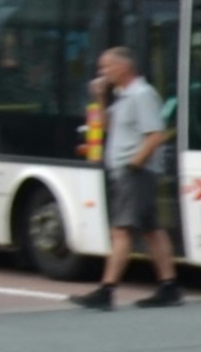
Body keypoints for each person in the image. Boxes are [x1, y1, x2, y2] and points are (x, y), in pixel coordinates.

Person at [73, 43, 180, 311]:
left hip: (135, 173)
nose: (102, 72)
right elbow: (108, 128)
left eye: (106, 66)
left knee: (120, 231)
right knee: (152, 231)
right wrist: (100, 98)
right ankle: (169, 286)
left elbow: (156, 134)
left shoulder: (141, 95)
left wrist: (135, 164)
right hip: (132, 172)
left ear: (124, 67)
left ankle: (107, 290)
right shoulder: (123, 96)